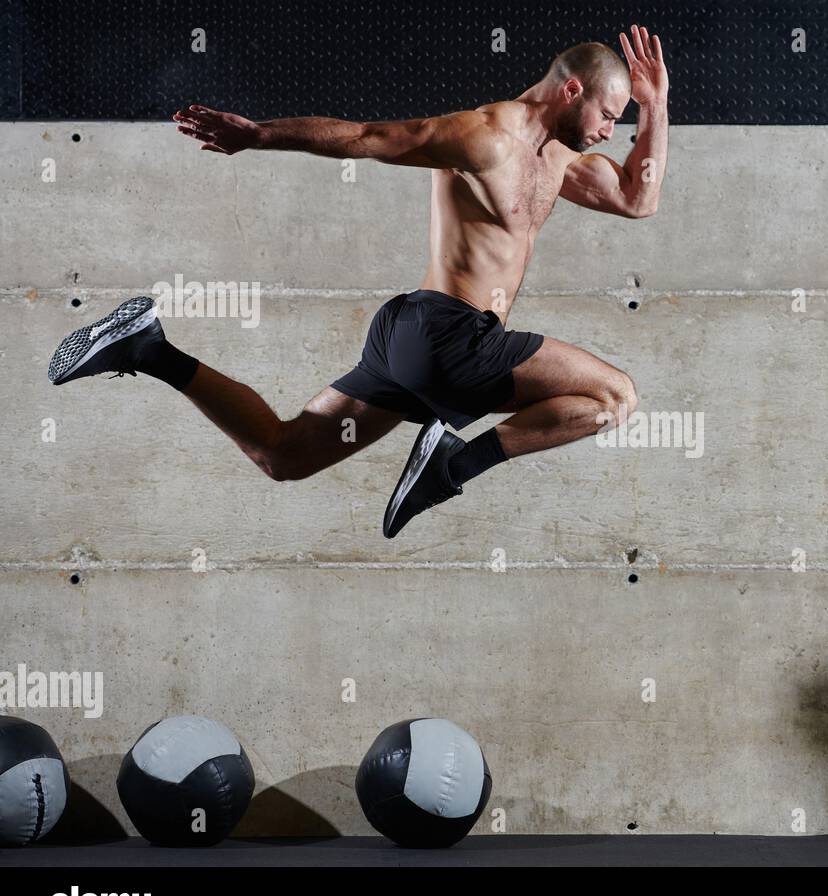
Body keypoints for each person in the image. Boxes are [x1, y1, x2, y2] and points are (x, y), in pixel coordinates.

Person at [47, 27, 669, 539]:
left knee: (282, 455)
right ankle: (453, 464)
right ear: (572, 89)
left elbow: (639, 200)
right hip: (450, 335)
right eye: (610, 115)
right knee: (615, 398)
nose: (611, 131)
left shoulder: (560, 160)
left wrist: (655, 104)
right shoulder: (487, 135)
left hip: (415, 345)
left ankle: (146, 347)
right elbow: (371, 139)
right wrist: (261, 136)